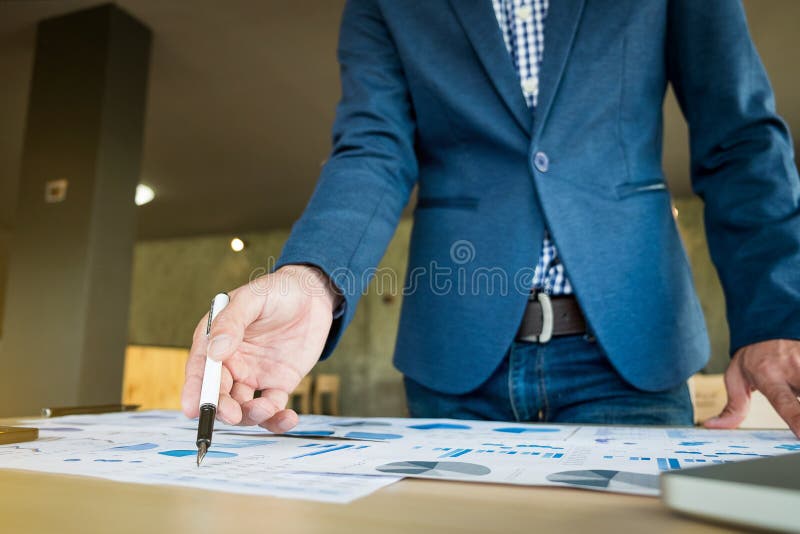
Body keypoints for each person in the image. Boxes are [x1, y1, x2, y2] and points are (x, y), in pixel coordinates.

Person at [182, 0, 800, 436]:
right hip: (456, 356)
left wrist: (773, 313)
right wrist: (310, 279)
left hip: (630, 351)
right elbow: (372, 148)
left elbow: (739, 139)